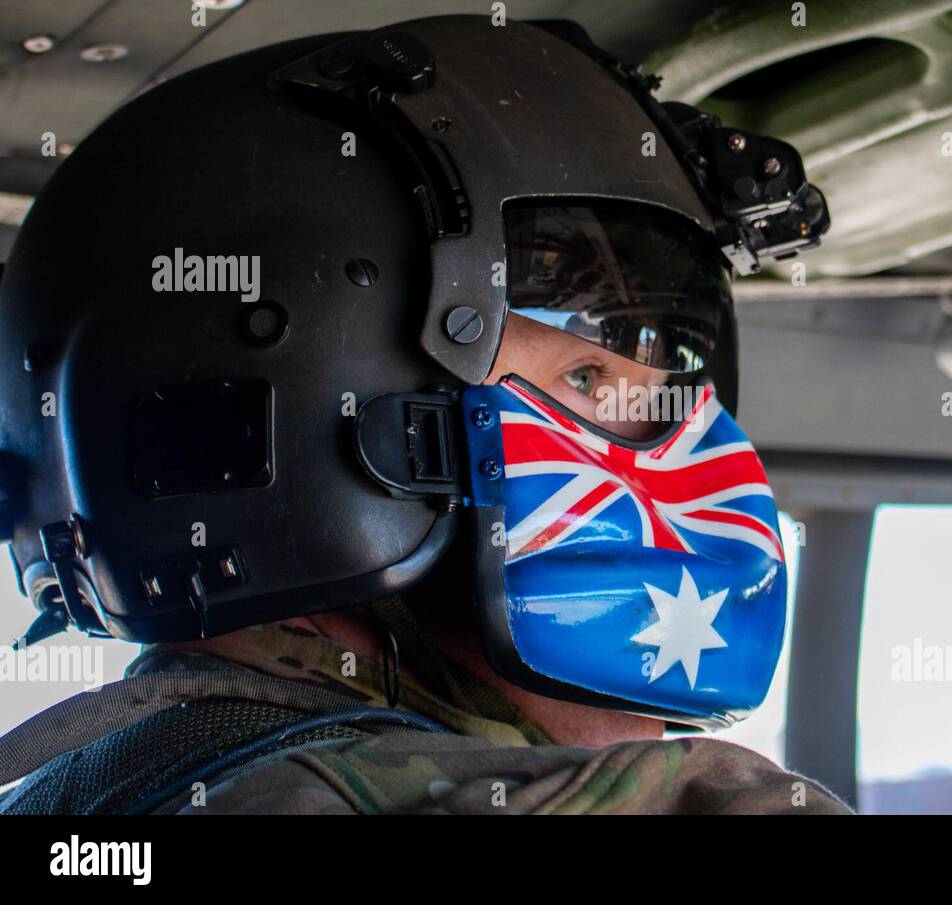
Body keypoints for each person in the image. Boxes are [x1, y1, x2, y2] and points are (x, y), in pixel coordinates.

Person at [0, 15, 843, 814]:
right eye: (587, 378)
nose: (705, 459)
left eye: (661, 393)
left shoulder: (89, 788)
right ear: (316, 436)